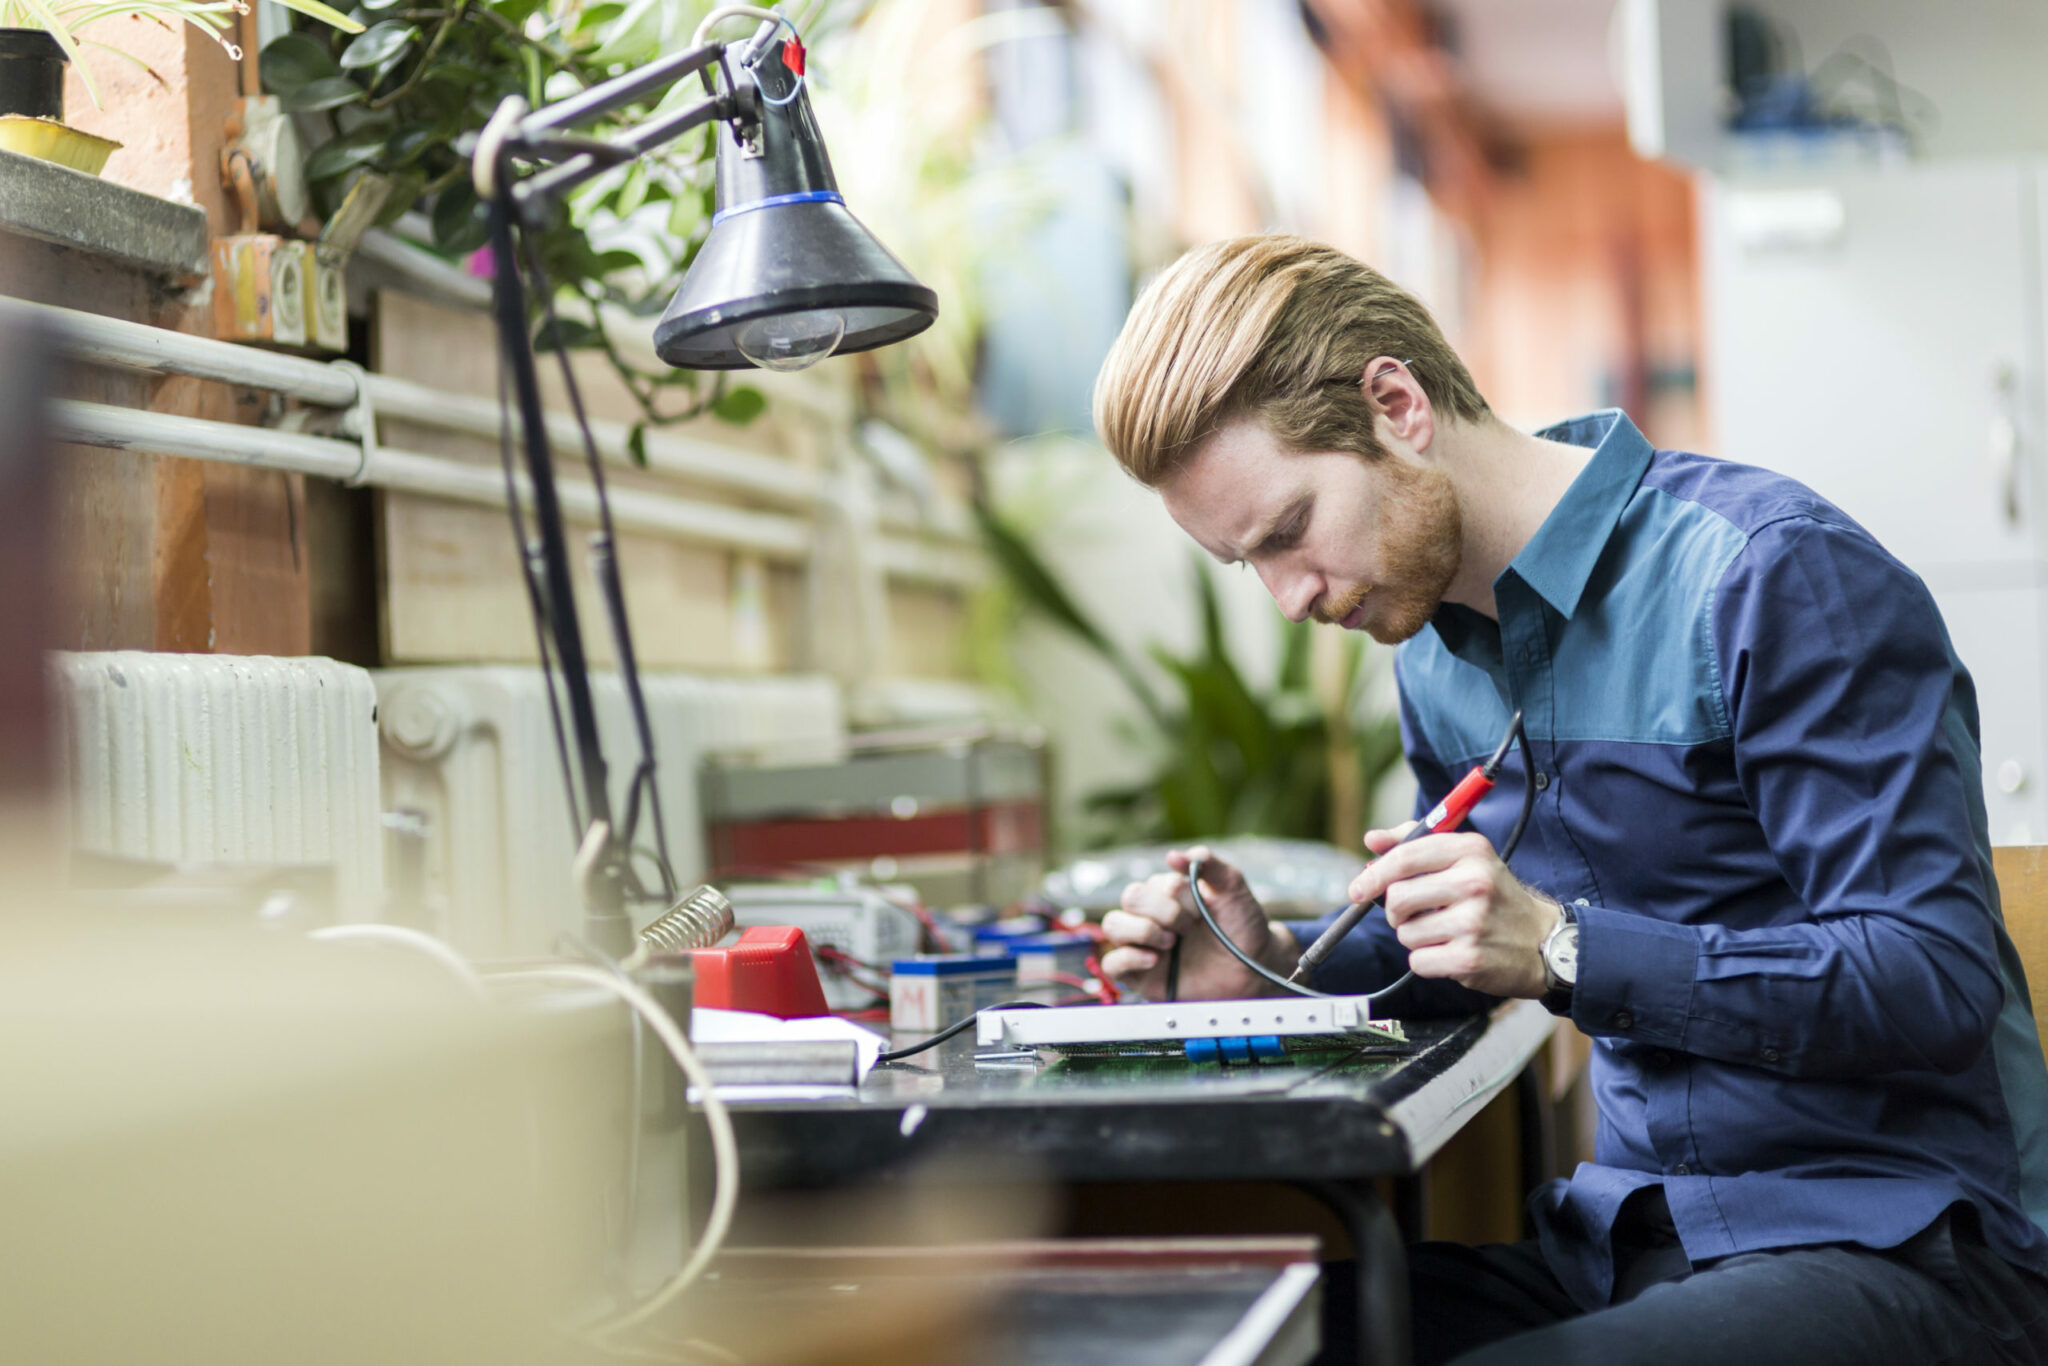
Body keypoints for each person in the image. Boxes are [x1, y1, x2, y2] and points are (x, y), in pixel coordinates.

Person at [1089, 233, 2048, 1365]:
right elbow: (1458, 950)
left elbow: (1929, 979)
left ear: (1395, 404)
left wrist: (1564, 949)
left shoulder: (1767, 577)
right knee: (1223, 1345)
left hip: (1902, 1242)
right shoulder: (1431, 658)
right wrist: (1271, 970)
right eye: (1244, 562)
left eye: (1290, 530)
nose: (1290, 597)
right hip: (1629, 1242)